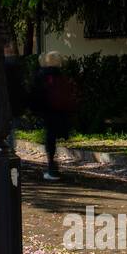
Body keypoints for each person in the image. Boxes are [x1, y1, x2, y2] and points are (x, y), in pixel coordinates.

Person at [31, 51, 77, 181]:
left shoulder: (42, 75)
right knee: (54, 137)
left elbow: (36, 94)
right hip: (62, 112)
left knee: (50, 138)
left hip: (48, 112)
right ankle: (53, 165)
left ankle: (52, 166)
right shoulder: (62, 75)